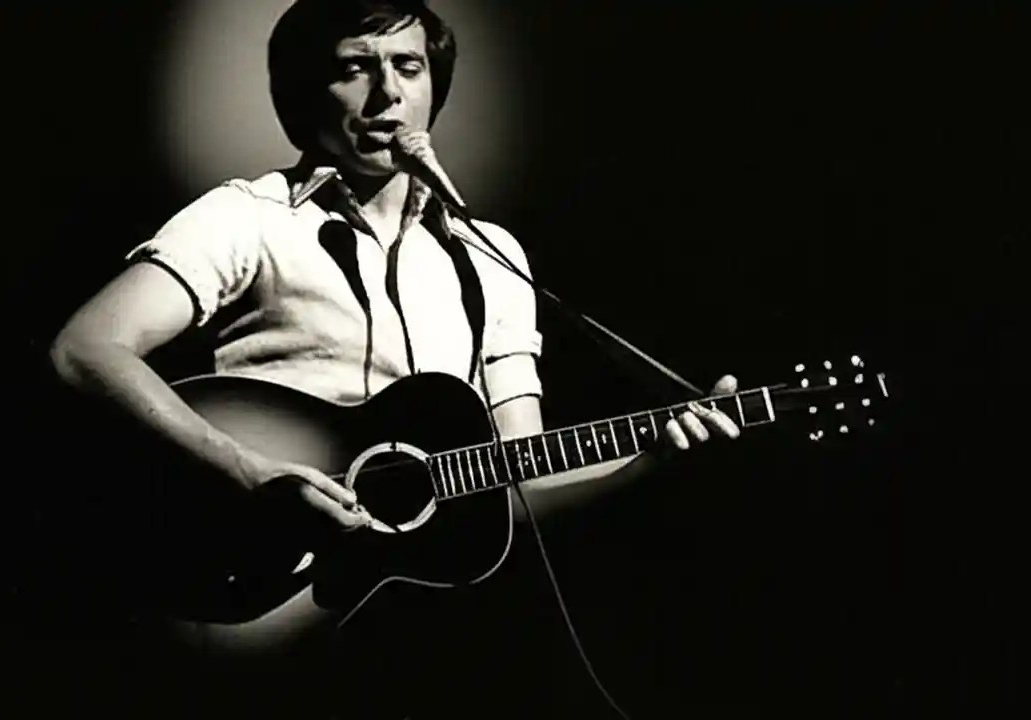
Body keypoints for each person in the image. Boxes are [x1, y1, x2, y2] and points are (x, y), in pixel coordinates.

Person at [49, 1, 740, 716]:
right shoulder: (247, 218)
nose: (389, 94)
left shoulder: (492, 257)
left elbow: (516, 482)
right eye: (355, 68)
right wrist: (249, 471)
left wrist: (650, 456)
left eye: (408, 67)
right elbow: (87, 347)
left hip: (419, 647)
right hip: (255, 606)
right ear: (301, 93)